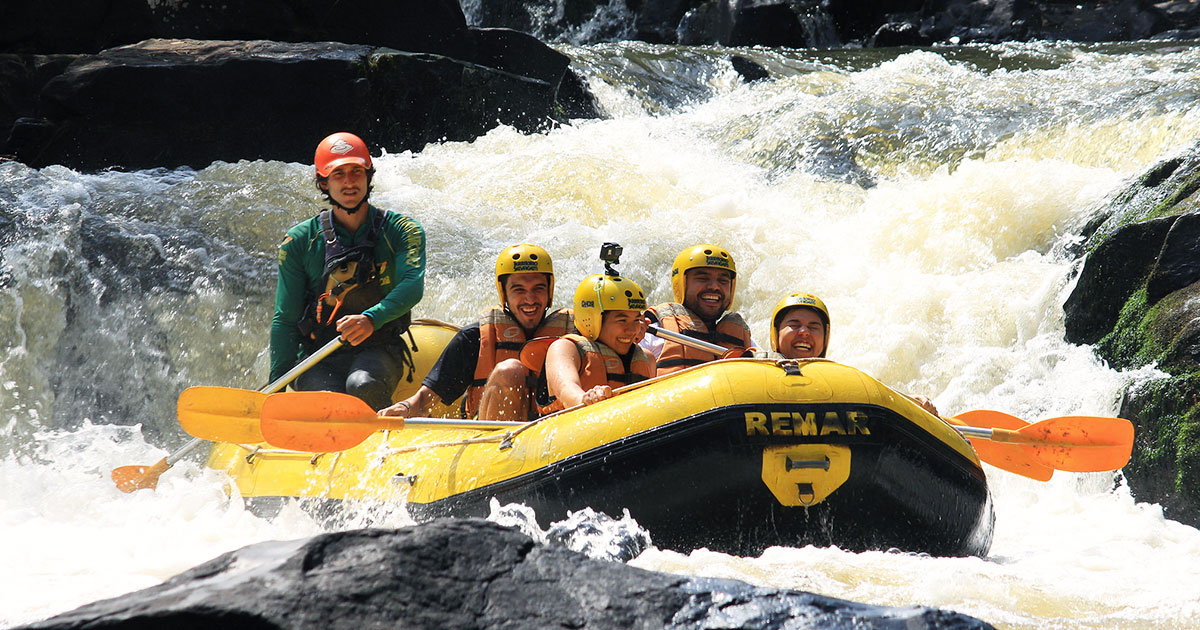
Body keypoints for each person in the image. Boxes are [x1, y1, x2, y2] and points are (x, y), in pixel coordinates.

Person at [270, 132, 426, 411]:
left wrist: (370, 319)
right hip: (319, 355)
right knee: (328, 403)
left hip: (379, 347)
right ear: (323, 182)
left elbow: (412, 286)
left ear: (368, 175)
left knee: (362, 385)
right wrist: (276, 388)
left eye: (356, 171)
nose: (349, 181)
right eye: (338, 173)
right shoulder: (299, 241)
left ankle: (383, 439)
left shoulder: (403, 230)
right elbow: (285, 319)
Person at [380, 244, 573, 421]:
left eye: (538, 288)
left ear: (550, 291)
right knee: (510, 370)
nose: (530, 299)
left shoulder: (573, 335)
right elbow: (423, 401)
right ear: (504, 293)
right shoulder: (475, 338)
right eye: (519, 290)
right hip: (494, 438)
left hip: (554, 438)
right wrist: (405, 407)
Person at [764, 293, 938, 415]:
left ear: (825, 339)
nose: (804, 332)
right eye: (794, 324)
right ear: (776, 333)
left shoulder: (836, 376)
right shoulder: (756, 363)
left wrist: (910, 403)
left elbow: (873, 396)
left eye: (813, 327)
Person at [544, 273, 656, 408]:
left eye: (636, 320)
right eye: (622, 320)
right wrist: (584, 398)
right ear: (592, 319)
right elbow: (565, 388)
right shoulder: (564, 349)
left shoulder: (647, 358)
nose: (632, 330)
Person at [641, 244, 754, 375]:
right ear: (681, 284)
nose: (714, 287)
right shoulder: (653, 332)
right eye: (702, 279)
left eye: (723, 281)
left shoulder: (744, 339)